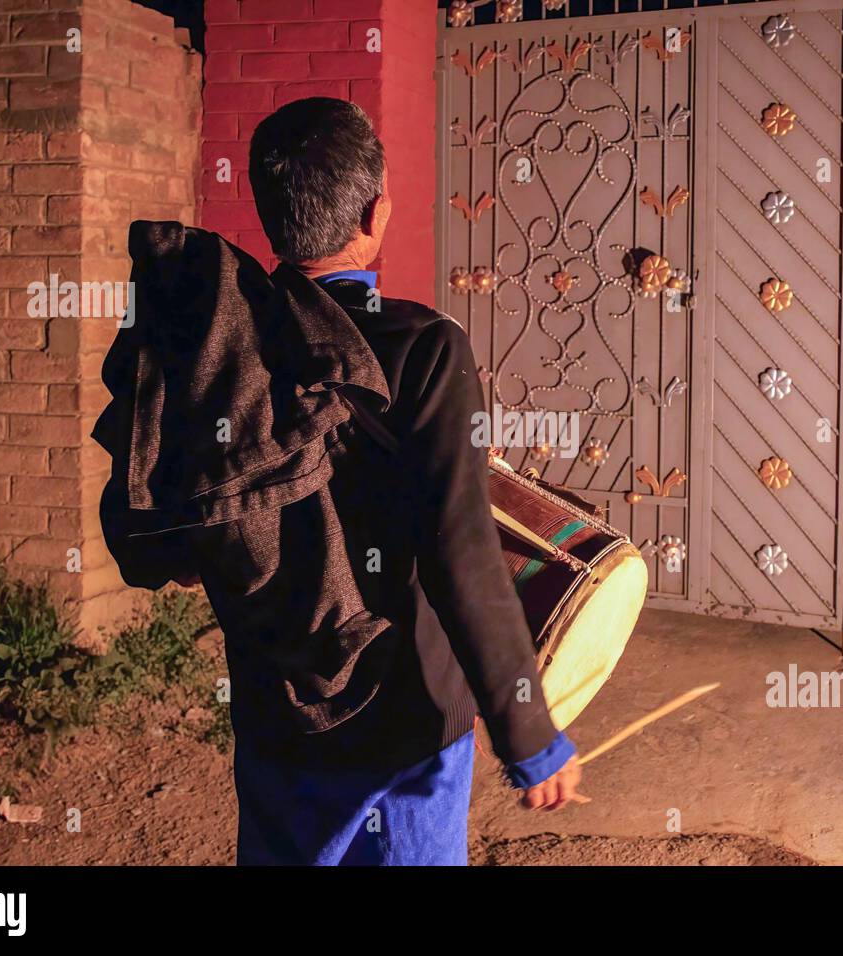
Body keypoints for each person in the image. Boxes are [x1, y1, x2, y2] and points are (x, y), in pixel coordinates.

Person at [94, 97, 580, 866]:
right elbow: (463, 555)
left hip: (276, 714)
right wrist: (531, 736)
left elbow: (171, 530)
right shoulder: (424, 347)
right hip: (408, 729)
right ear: (377, 210)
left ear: (271, 215)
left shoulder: (225, 346)